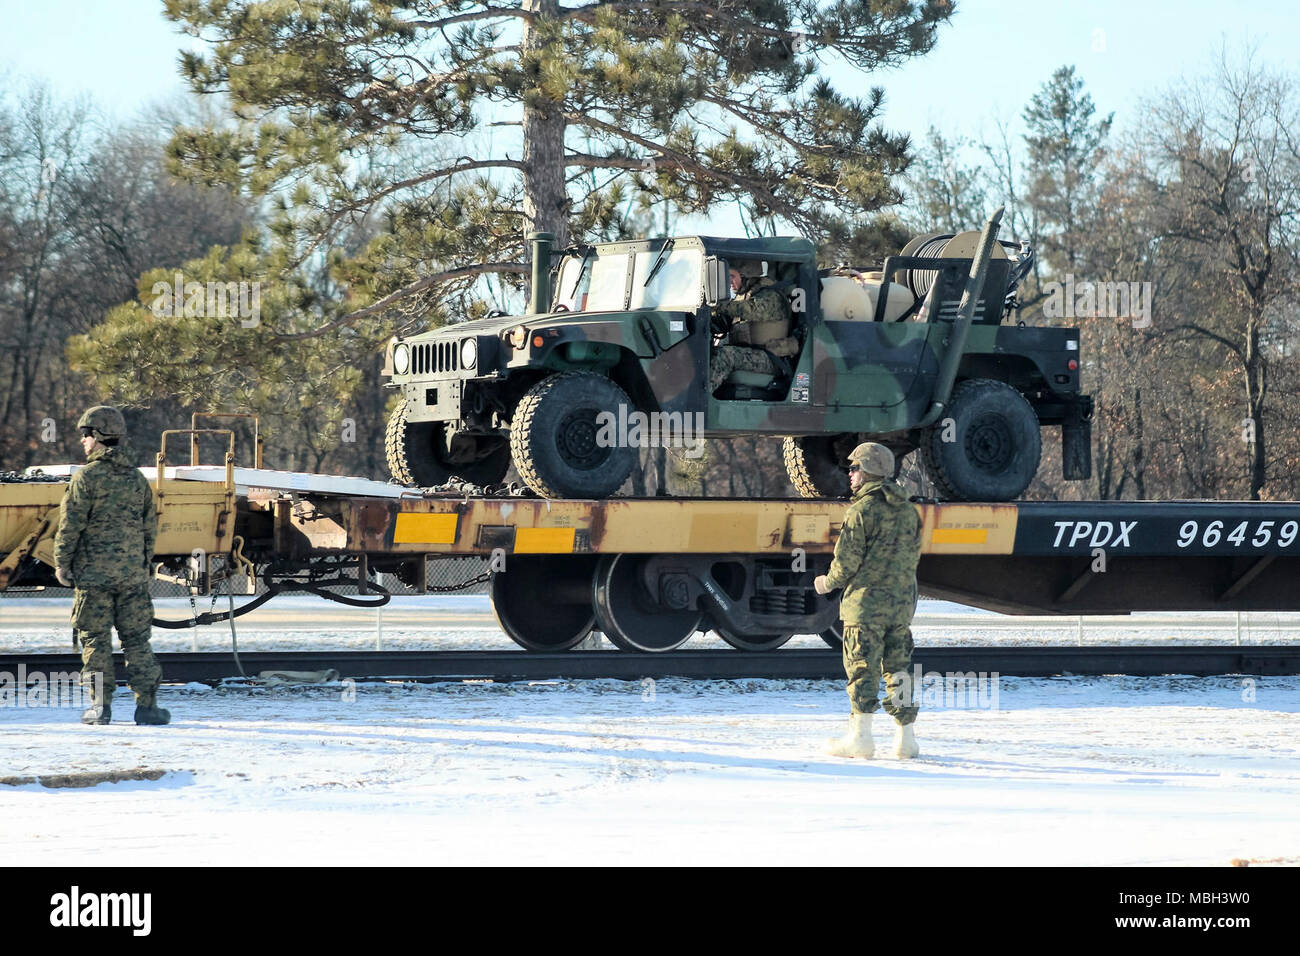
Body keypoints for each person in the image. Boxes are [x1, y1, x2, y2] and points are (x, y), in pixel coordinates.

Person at [54, 406, 169, 726]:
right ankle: (147, 707)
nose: (83, 441)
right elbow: (149, 529)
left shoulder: (85, 478)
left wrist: (62, 563)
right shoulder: (136, 479)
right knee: (137, 641)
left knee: (95, 640)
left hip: (94, 578)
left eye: (86, 434)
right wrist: (144, 566)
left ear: (101, 437)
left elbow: (70, 526)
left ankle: (100, 707)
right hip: (132, 577)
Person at [814, 442, 922, 759]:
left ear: (870, 472)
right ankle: (907, 739)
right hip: (900, 607)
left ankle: (860, 739)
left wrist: (825, 584)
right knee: (899, 671)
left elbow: (845, 564)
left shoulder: (861, 511)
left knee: (863, 670)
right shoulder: (908, 510)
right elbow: (913, 557)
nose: (851, 473)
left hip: (865, 607)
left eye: (856, 468)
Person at [708, 263, 797, 394]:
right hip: (753, 355)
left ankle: (700, 400)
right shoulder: (742, 297)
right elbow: (726, 321)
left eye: (732, 276)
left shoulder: (771, 295)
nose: (728, 282)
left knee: (725, 356)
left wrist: (717, 306)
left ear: (746, 274)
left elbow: (752, 310)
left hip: (770, 359)